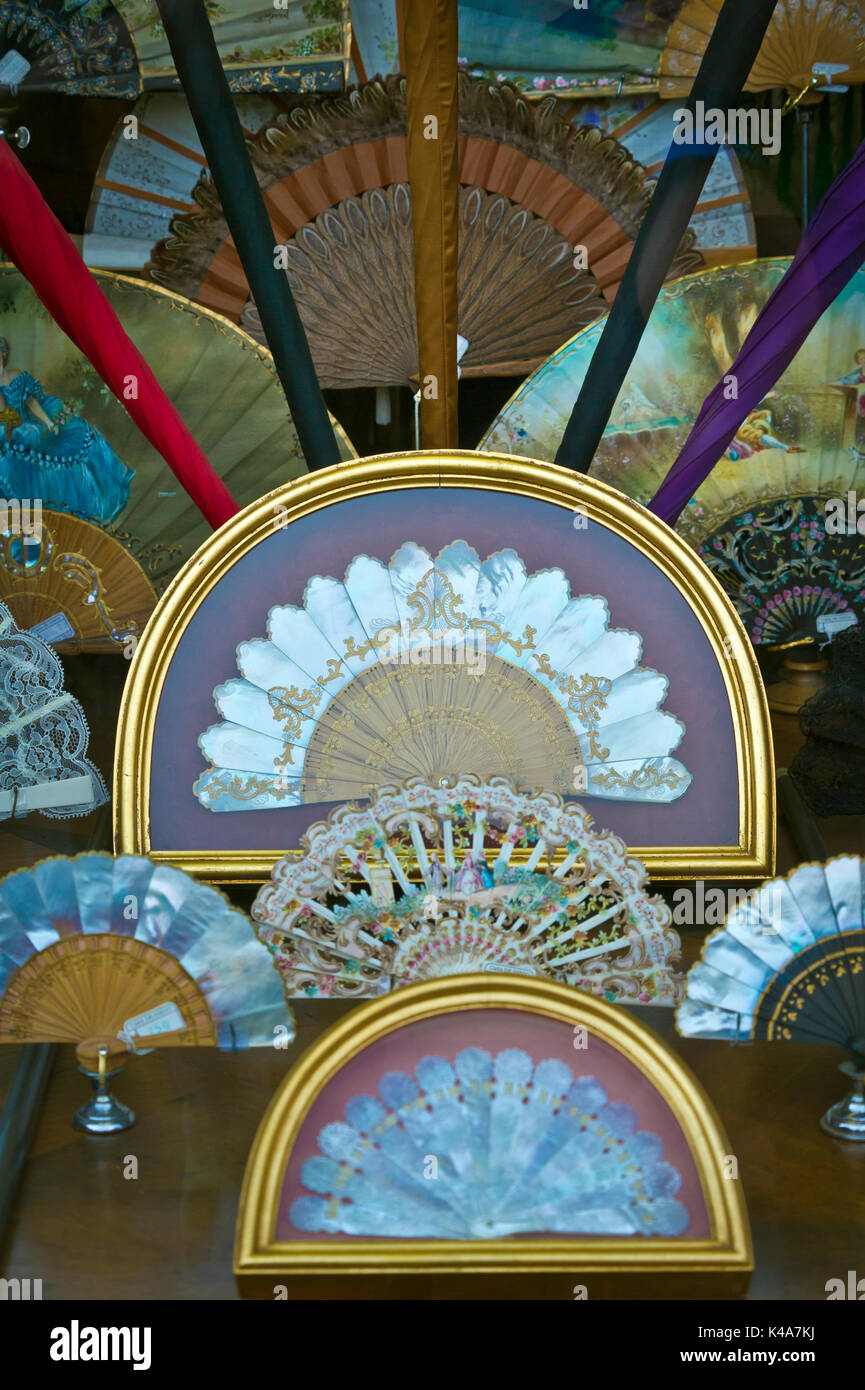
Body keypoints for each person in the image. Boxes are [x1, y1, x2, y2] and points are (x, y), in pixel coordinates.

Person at [0, 336, 132, 523]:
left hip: (29, 425)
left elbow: (31, 402)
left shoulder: (16, 376)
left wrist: (48, 422)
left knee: (63, 443)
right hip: (9, 427)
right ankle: (21, 522)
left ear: (4, 356)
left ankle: (61, 516)